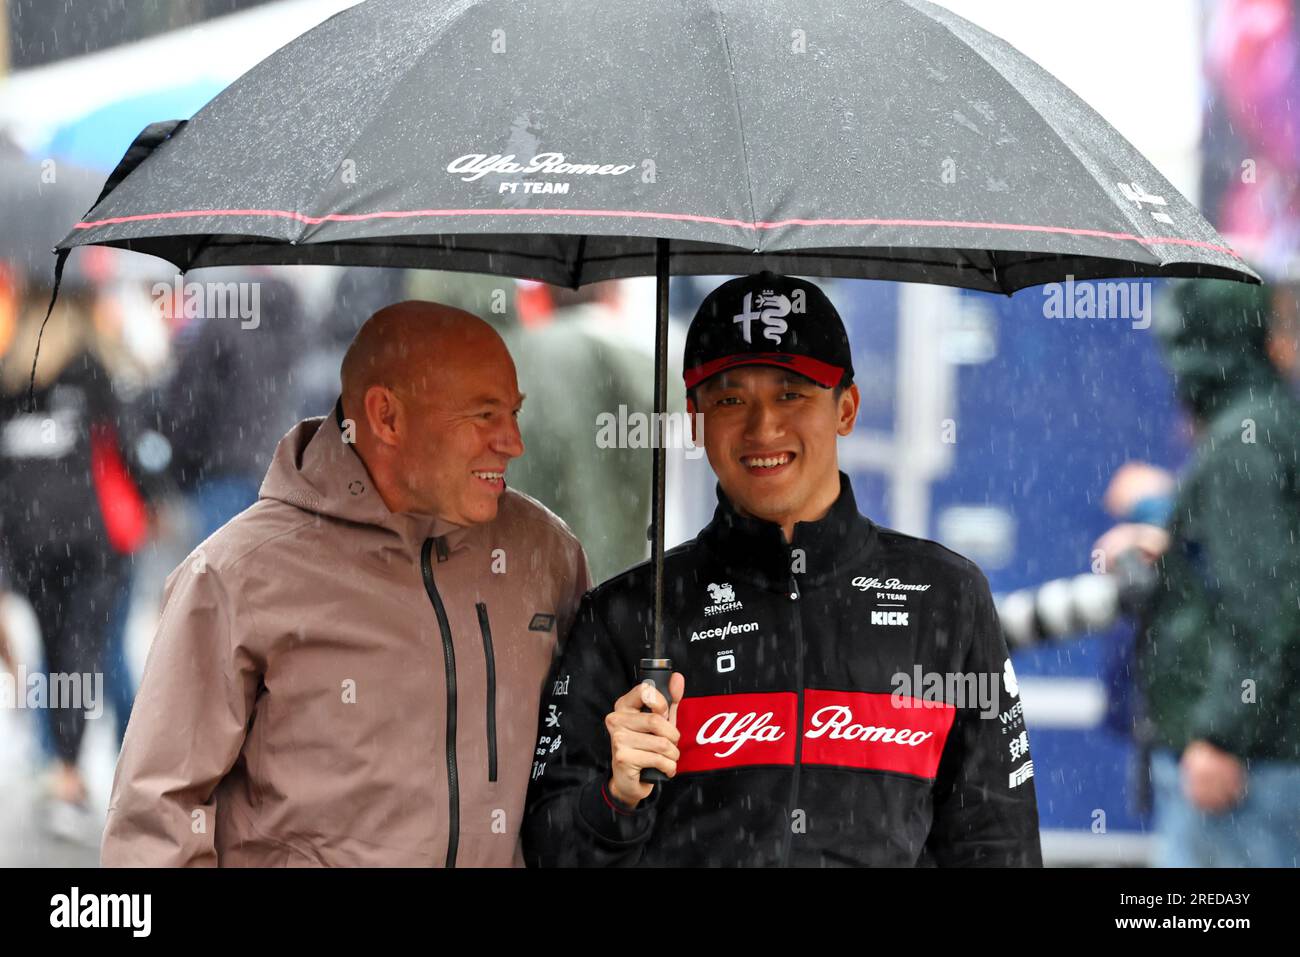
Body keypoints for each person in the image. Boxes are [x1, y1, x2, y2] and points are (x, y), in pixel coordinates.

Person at [522, 271, 1042, 866]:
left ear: (846, 407)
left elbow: (999, 845)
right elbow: (546, 847)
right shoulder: (626, 613)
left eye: (792, 394)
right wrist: (615, 799)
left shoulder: (946, 596)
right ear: (694, 418)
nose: (763, 426)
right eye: (730, 399)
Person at [102, 300, 591, 866]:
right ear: (386, 417)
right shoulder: (237, 573)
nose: (512, 441)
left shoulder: (544, 553)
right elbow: (156, 816)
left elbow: (579, 767)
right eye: (484, 416)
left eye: (514, 412)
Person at [1132, 278, 1300, 867]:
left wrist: (1223, 735)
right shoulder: (1271, 424)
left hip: (1249, 766)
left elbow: (1266, 604)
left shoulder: (1243, 443)